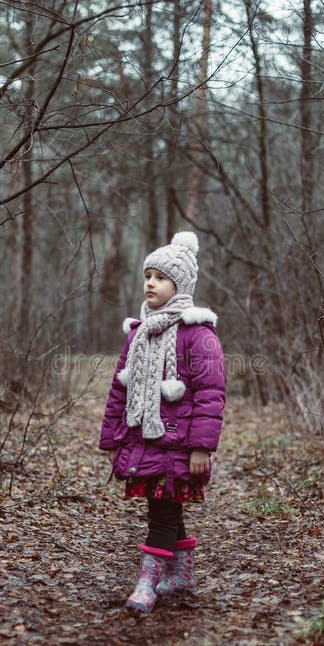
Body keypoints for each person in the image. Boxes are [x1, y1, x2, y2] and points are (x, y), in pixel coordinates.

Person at [99, 231, 226, 612]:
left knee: (164, 509)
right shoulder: (138, 335)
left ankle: (147, 581)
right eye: (148, 275)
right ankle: (182, 575)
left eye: (160, 277)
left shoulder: (198, 336)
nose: (150, 283)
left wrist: (201, 446)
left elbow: (210, 394)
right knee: (163, 506)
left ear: (181, 284)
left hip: (178, 443)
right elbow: (119, 391)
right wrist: (112, 440)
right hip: (143, 439)